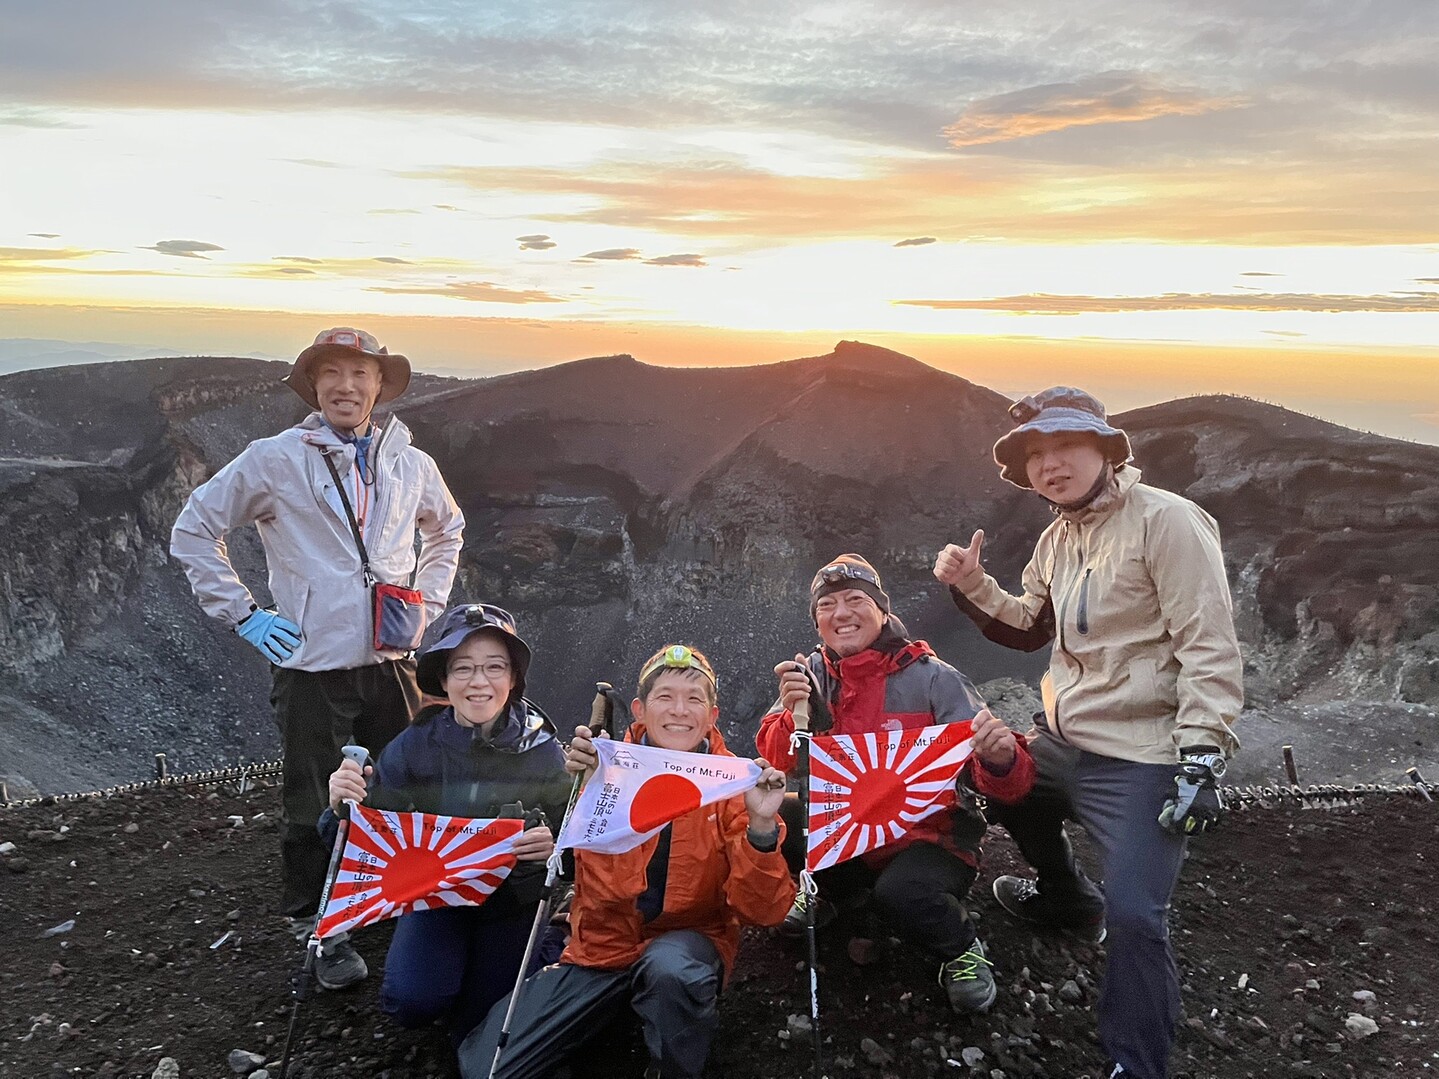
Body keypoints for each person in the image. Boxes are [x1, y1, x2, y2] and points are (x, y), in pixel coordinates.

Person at [933, 386, 1243, 1079]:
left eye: (1064, 446)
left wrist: (1200, 753)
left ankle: (1135, 1064)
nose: (1049, 465)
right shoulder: (1058, 537)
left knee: (1136, 915)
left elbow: (1208, 644)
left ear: (1105, 448)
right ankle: (1066, 897)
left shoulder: (1166, 521)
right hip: (1064, 741)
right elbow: (1030, 628)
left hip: (1140, 756)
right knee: (999, 778)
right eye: (1035, 454)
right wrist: (976, 582)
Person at [170, 326, 464, 988]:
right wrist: (245, 615)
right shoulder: (275, 458)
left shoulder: (407, 462)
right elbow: (193, 527)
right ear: (313, 386)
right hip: (310, 664)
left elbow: (447, 528)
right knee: (312, 800)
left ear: (381, 385)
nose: (346, 385)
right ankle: (320, 926)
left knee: (403, 782)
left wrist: (428, 601)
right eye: (331, 372)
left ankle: (395, 893)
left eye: (360, 373)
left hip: (392, 655)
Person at [457, 644, 794, 1079]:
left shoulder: (734, 786)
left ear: (712, 715)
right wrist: (571, 788)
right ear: (639, 709)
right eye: (665, 697)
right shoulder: (601, 772)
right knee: (487, 1067)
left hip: (688, 940)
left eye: (694, 699)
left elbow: (763, 911)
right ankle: (619, 1007)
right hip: (602, 946)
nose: (679, 711)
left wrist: (763, 828)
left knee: (671, 971)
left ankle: (672, 1062)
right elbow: (568, 863)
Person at [755, 554, 1035, 1014]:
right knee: (778, 818)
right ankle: (835, 895)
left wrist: (1001, 758)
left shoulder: (933, 678)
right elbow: (778, 757)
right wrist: (792, 713)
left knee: (903, 895)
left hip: (929, 836)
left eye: (855, 600)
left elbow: (1009, 786)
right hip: (850, 829)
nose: (841, 614)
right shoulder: (811, 679)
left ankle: (961, 950)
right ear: (818, 622)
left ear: (883, 612)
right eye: (827, 606)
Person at [323, 603, 572, 1038]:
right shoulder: (412, 748)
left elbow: (575, 848)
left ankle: (552, 936)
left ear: (513, 679)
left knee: (481, 1022)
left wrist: (551, 850)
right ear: (444, 679)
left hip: (513, 905)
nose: (479, 682)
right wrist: (341, 809)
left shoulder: (545, 753)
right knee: (412, 1002)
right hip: (436, 900)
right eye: (463, 669)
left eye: (495, 667)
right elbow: (360, 844)